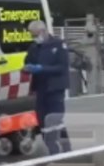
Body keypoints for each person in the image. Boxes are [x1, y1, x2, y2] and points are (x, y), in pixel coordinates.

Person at [23, 20, 72, 155]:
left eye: (35, 35)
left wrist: (42, 69)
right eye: (32, 35)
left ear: (43, 31)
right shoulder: (34, 47)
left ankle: (66, 150)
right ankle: (53, 151)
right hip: (41, 88)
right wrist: (27, 68)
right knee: (43, 122)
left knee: (55, 120)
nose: (34, 38)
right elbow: (28, 61)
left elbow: (62, 67)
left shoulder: (58, 45)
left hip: (55, 88)